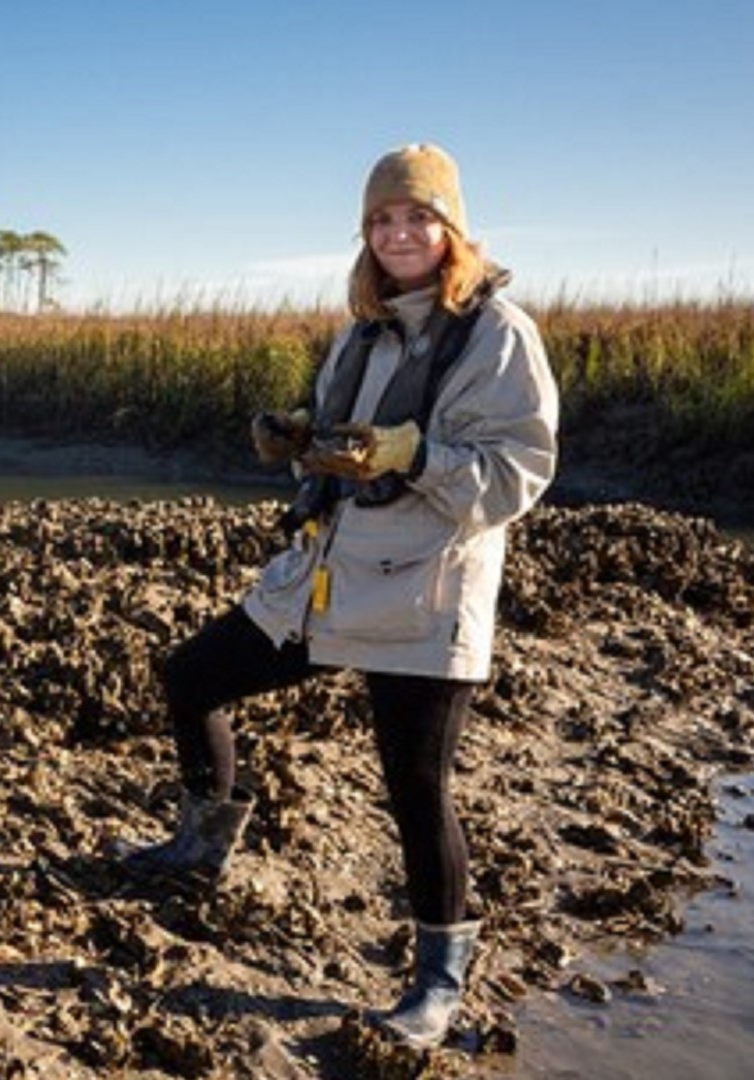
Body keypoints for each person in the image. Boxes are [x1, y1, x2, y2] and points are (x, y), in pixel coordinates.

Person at [117, 143, 560, 1049]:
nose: (400, 233)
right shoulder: (361, 330)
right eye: (383, 220)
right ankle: (201, 851)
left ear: (453, 231)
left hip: (426, 596)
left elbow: (519, 474)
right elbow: (343, 440)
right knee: (192, 677)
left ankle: (438, 983)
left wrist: (417, 456)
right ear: (366, 234)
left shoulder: (500, 334)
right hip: (326, 578)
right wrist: (298, 439)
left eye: (418, 218)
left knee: (416, 788)